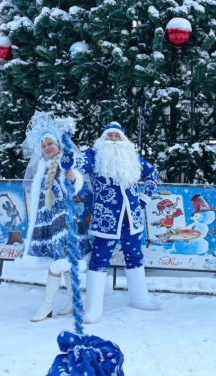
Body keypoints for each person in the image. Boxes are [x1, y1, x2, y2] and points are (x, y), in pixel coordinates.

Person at [70, 121, 161, 323]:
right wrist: (70, 169)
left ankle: (140, 298)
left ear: (123, 139)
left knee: (135, 256)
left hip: (132, 218)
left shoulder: (132, 157)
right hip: (106, 219)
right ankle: (93, 308)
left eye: (116, 136)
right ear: (102, 139)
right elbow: (79, 167)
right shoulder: (95, 156)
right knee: (100, 259)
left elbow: (153, 174)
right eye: (109, 136)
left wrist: (144, 199)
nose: (113, 140)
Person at [15, 111, 89, 322]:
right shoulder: (44, 166)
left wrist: (74, 178)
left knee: (57, 262)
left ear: (58, 144)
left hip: (63, 220)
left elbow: (74, 186)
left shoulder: (65, 162)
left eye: (51, 143)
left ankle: (46, 307)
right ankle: (76, 301)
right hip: (49, 220)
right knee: (62, 260)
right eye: (43, 145)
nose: (47, 147)